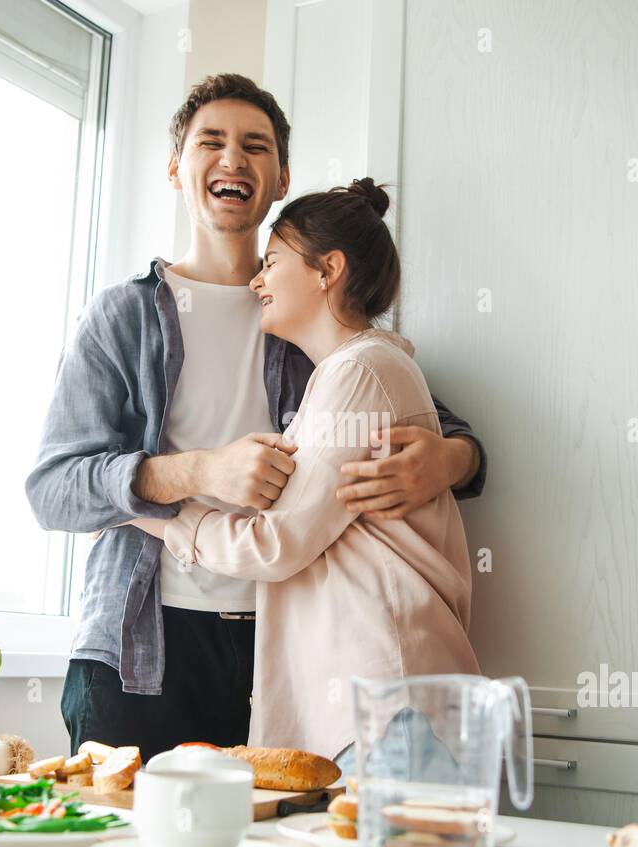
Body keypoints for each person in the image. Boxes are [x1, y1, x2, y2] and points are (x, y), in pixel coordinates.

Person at [24, 74, 487, 759]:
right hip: (142, 654)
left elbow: (435, 425)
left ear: (280, 179)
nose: (234, 158)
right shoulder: (120, 317)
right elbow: (54, 488)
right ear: (177, 170)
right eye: (211, 141)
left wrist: (453, 459)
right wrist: (197, 472)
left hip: (282, 656)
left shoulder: (308, 318)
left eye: (256, 146)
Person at [125, 178, 481, 766]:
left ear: (328, 270)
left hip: (387, 702)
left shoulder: (361, 373)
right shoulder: (352, 373)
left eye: (271, 263)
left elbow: (274, 545)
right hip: (374, 701)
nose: (257, 280)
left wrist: (150, 515)